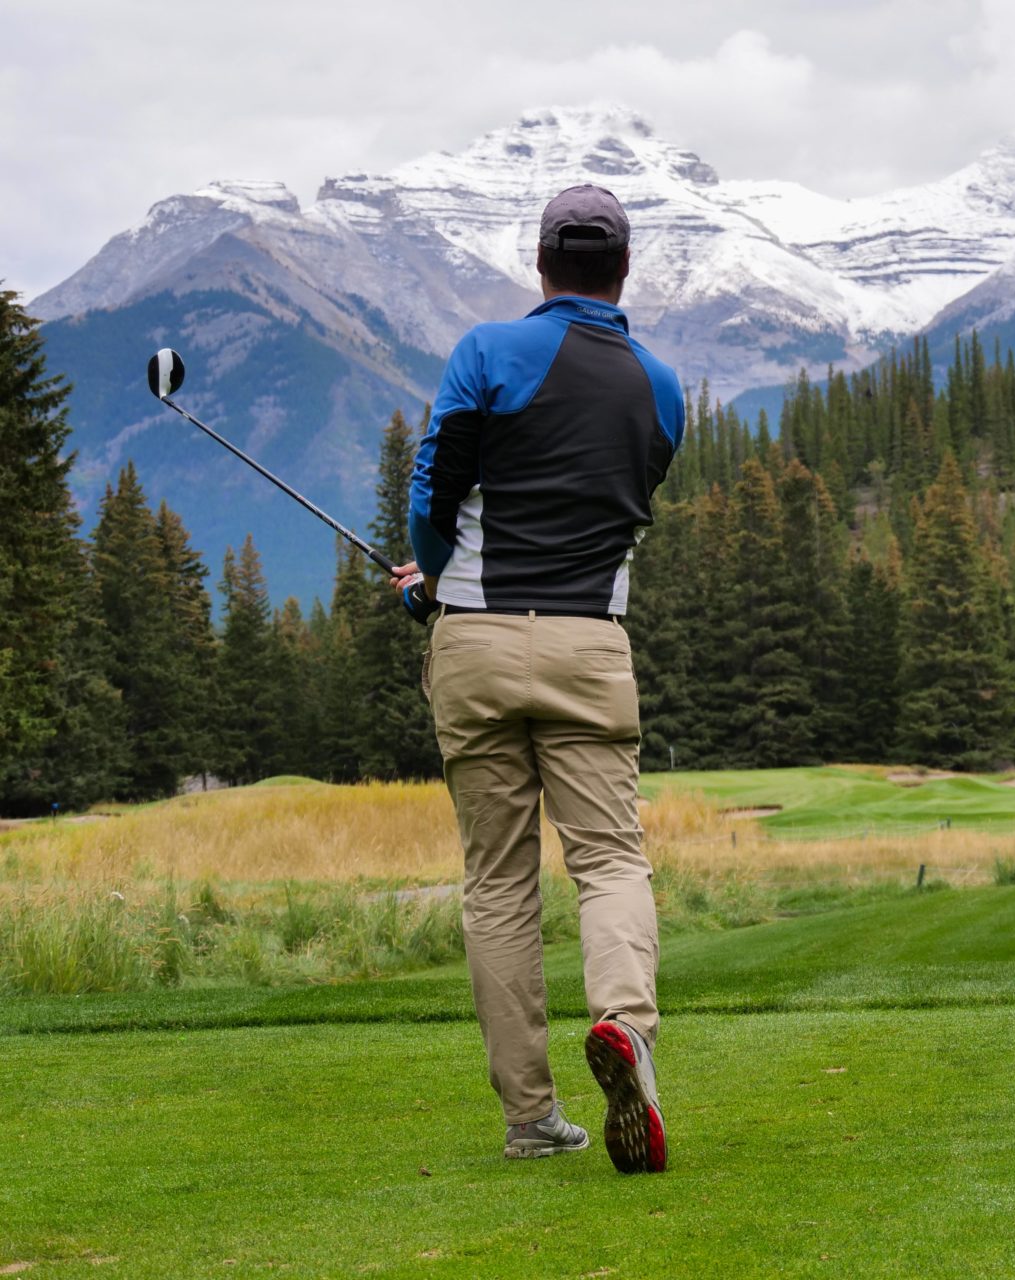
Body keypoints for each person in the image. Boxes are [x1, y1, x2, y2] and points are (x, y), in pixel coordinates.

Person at [390, 184, 684, 1173]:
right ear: (624, 267)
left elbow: (433, 491)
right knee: (608, 860)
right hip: (587, 645)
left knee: (501, 884)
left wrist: (430, 576)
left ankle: (529, 1116)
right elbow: (616, 498)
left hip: (471, 642)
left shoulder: (484, 353)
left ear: (542, 262)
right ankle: (627, 1032)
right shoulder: (663, 385)